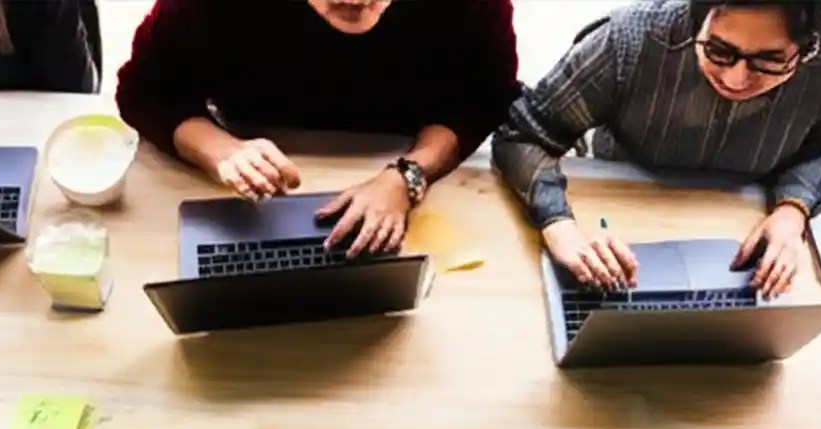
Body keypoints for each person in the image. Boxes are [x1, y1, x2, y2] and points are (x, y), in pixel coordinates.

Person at [492, 0, 821, 296]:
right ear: (696, 20)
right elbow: (524, 133)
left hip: (745, 226)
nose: (737, 78)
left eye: (768, 60)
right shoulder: (629, 40)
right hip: (622, 217)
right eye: (720, 51)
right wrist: (559, 225)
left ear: (809, 48)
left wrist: (792, 209)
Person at [116, 0, 520, 256]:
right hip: (256, 194)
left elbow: (483, 97)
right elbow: (145, 88)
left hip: (409, 155)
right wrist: (221, 149)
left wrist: (410, 173)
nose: (355, 2)